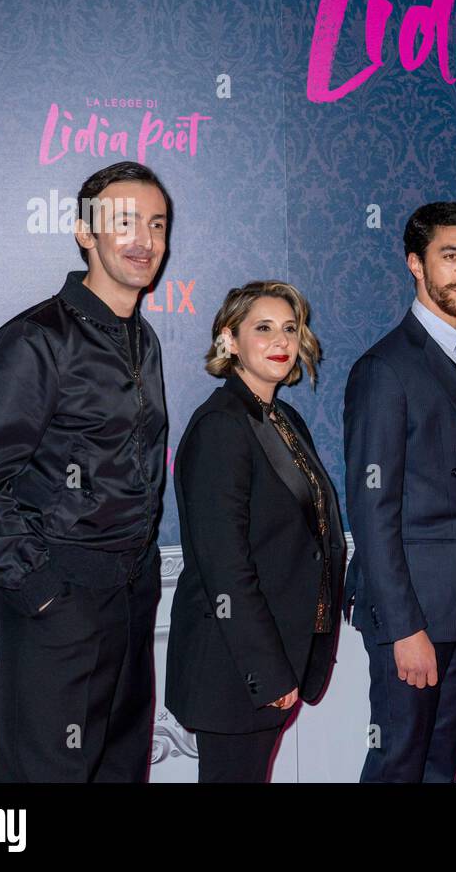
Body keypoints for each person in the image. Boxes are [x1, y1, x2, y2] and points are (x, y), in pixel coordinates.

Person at [0, 160, 170, 782]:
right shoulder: (35, 341)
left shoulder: (143, 341)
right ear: (83, 232)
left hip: (132, 595)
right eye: (124, 222)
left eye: (156, 224)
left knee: (120, 772)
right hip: (60, 594)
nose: (144, 239)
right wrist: (45, 594)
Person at [343, 202, 456, 782]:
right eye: (450, 256)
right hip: (412, 616)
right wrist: (405, 627)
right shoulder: (385, 368)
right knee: (397, 766)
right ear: (415, 264)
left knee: (440, 770)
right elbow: (371, 509)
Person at [165, 282, 346, 782]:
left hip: (275, 651)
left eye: (289, 328)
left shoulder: (281, 418)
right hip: (235, 666)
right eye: (262, 328)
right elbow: (225, 565)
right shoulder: (220, 426)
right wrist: (265, 670)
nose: (280, 340)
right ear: (230, 340)